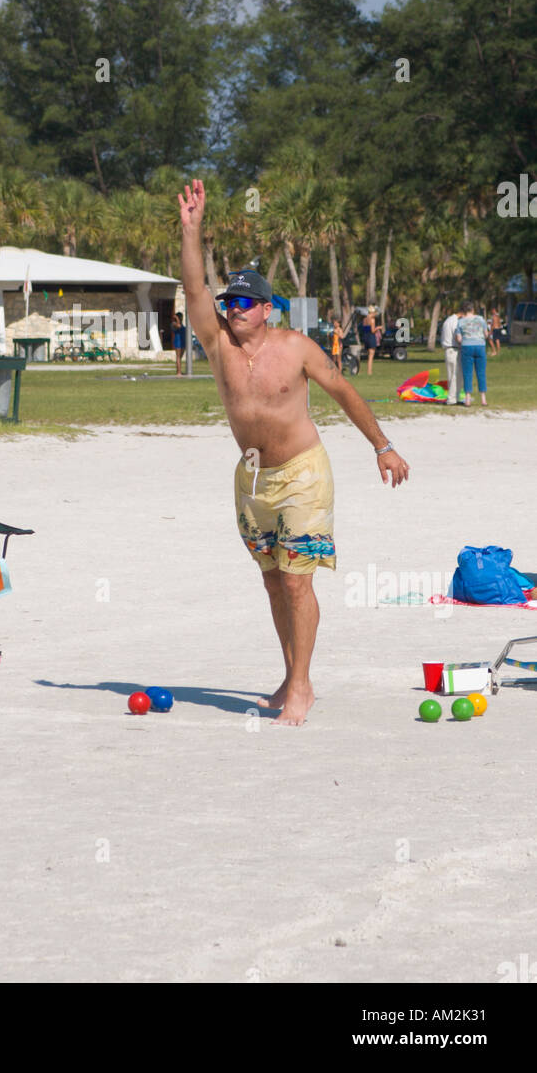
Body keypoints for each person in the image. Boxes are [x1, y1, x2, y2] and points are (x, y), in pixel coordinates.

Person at [180, 179, 409, 727]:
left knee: (297, 578)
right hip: (253, 480)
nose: (231, 308)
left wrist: (383, 445)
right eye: (227, 301)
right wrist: (191, 230)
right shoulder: (219, 347)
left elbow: (345, 392)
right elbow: (192, 292)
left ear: (264, 308)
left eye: (242, 301)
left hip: (303, 473)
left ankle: (302, 687)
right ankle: (289, 675)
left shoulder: (296, 348)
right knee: (272, 579)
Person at [455, 302, 488, 407]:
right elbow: (486, 334)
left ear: (464, 311)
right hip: (480, 346)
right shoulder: (481, 319)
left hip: (467, 346)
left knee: (467, 373)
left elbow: (459, 339)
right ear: (473, 310)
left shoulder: (460, 322)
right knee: (481, 373)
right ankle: (483, 399)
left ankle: (468, 398)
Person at [439, 305, 463, 405]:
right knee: (455, 375)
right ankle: (452, 399)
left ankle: (455, 397)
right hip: (454, 349)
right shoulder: (456, 322)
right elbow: (458, 336)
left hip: (449, 350)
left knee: (452, 375)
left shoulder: (449, 320)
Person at [362, 306, 382, 376]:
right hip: (371, 337)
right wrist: (378, 327)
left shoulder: (364, 319)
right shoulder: (372, 319)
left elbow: (364, 329)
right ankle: (369, 372)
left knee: (369, 355)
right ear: (372, 312)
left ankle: (369, 371)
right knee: (371, 356)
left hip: (365, 337)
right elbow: (373, 330)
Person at [171, 311, 187, 375]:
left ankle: (179, 371)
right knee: (178, 357)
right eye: (180, 317)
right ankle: (178, 372)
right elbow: (178, 326)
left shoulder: (181, 323)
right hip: (178, 342)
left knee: (180, 358)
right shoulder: (174, 323)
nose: (181, 318)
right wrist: (177, 319)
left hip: (183, 341)